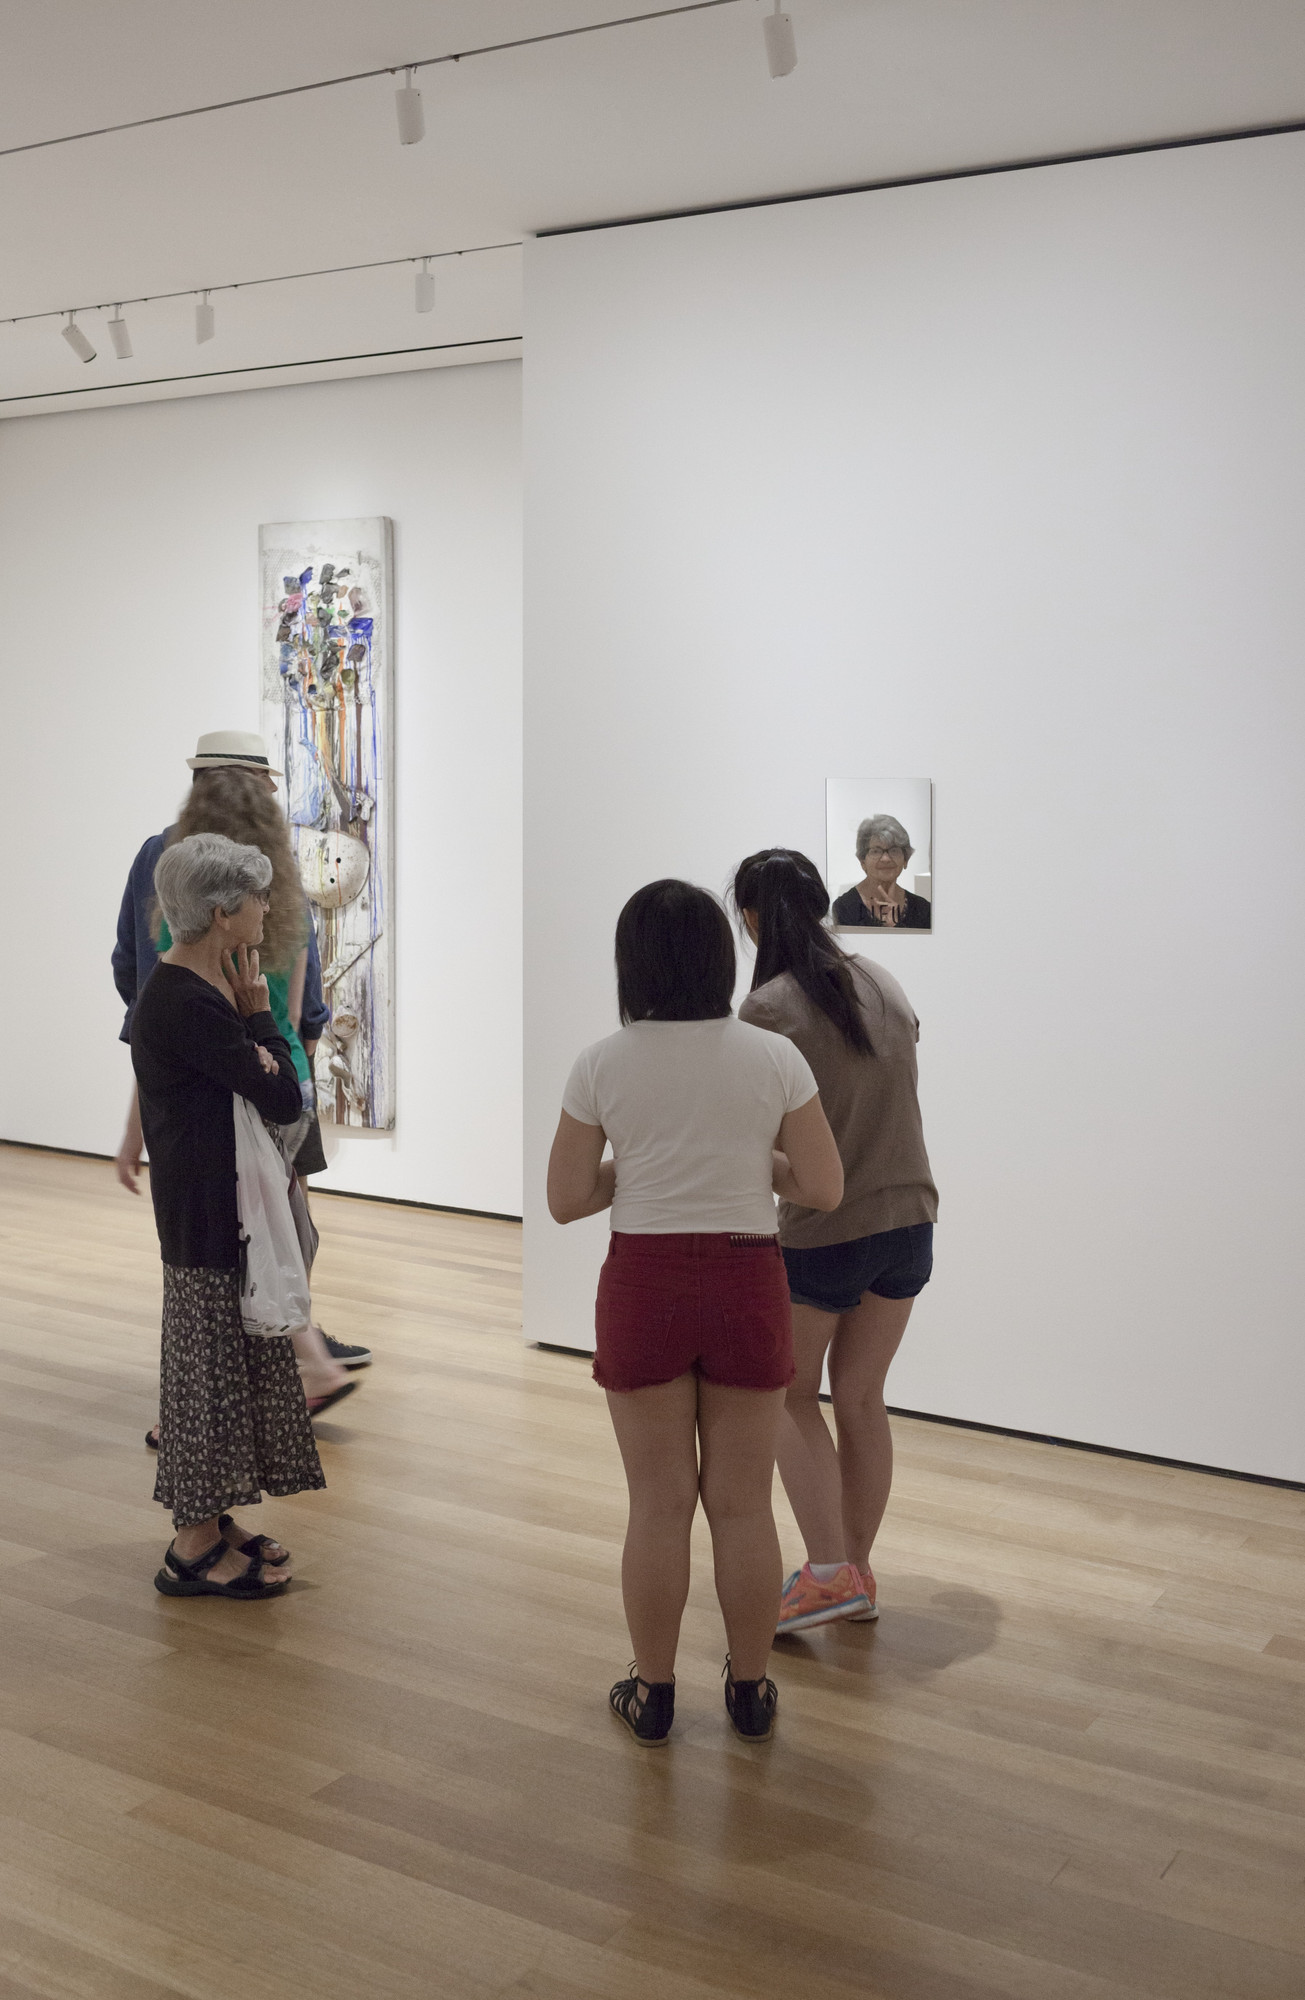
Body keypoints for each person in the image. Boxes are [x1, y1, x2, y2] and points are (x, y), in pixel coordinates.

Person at [547, 879, 844, 1744]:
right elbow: (823, 1186)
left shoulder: (600, 1063)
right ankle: (749, 1693)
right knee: (743, 1506)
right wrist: (756, 1165)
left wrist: (637, 1168)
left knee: (658, 1503)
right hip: (748, 1279)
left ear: (629, 963)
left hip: (643, 1283)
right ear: (721, 956)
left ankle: (654, 1695)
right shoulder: (772, 1057)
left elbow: (567, 1198)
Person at [112, 731, 372, 1394]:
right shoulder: (274, 869)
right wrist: (287, 1057)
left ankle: (267, 1370)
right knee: (280, 1228)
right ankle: (289, 1361)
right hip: (268, 1067)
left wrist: (143, 1097)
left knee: (207, 1244)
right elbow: (305, 1002)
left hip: (186, 1079)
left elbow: (134, 974)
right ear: (263, 790)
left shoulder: (159, 859)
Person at [734, 849, 938, 1633]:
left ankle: (826, 1575)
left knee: (789, 1396)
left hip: (826, 1231)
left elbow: (757, 1137)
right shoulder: (881, 980)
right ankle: (856, 1572)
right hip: (909, 1219)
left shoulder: (767, 1009)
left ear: (751, 918)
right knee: (859, 1397)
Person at [132, 832, 332, 1597]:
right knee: (206, 1387)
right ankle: (190, 1548)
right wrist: (262, 1019)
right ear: (222, 913)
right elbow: (281, 1096)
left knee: (224, 1377)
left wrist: (251, 1025)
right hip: (209, 1220)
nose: (267, 908)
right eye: (257, 897)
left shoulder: (193, 989)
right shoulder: (190, 1002)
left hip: (215, 1212)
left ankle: (212, 1523)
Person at [831, 814, 931, 930]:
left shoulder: (923, 909)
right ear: (863, 861)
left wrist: (894, 926)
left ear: (905, 860)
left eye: (894, 850)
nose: (886, 859)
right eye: (876, 851)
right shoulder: (845, 907)